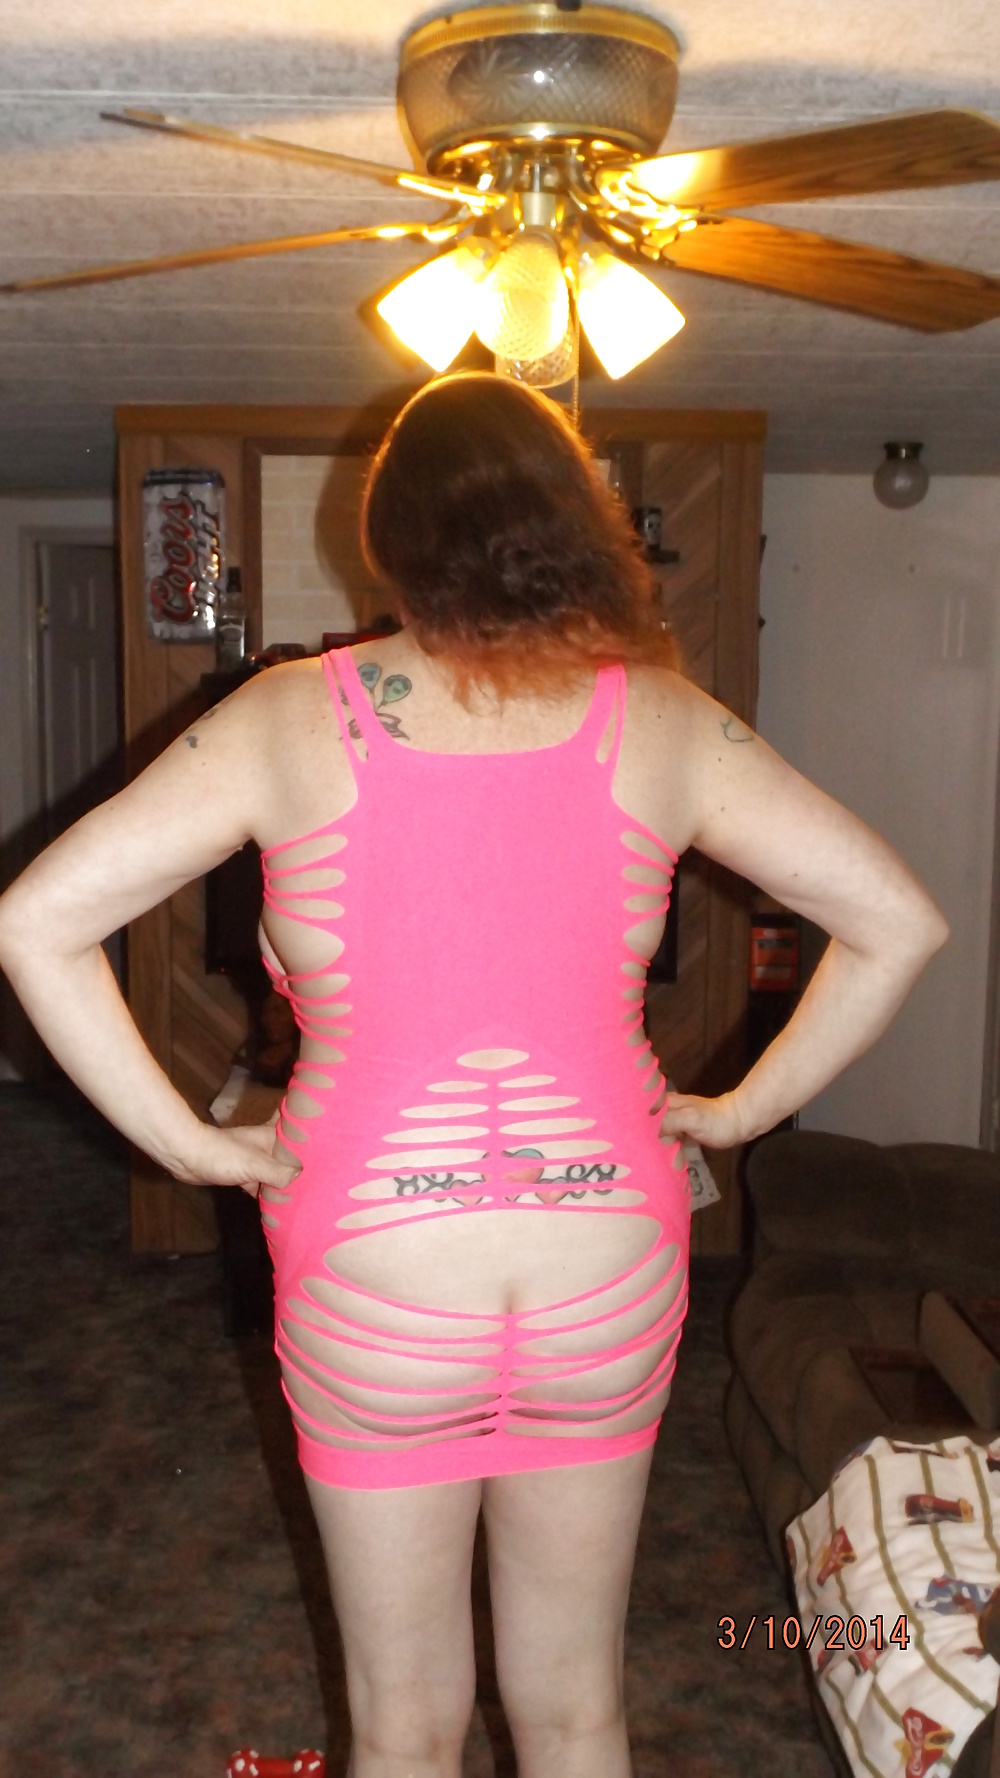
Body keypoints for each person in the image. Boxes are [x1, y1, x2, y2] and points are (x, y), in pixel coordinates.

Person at [0, 373, 947, 1778]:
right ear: (572, 525)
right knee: (577, 1709)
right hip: (604, 1267)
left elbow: (36, 921)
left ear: (388, 541)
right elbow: (899, 921)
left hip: (374, 1271)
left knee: (404, 1725)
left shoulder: (286, 715)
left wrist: (191, 1147)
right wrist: (737, 1111)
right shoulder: (661, 718)